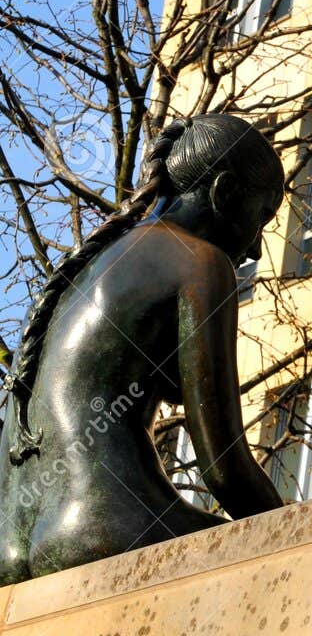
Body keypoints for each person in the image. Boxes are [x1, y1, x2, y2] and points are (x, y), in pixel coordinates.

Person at [0, 114, 285, 581]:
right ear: (225, 193)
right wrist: (296, 531)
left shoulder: (80, 274)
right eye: (261, 219)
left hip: (12, 553)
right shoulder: (200, 261)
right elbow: (225, 469)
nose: (255, 248)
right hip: (110, 529)